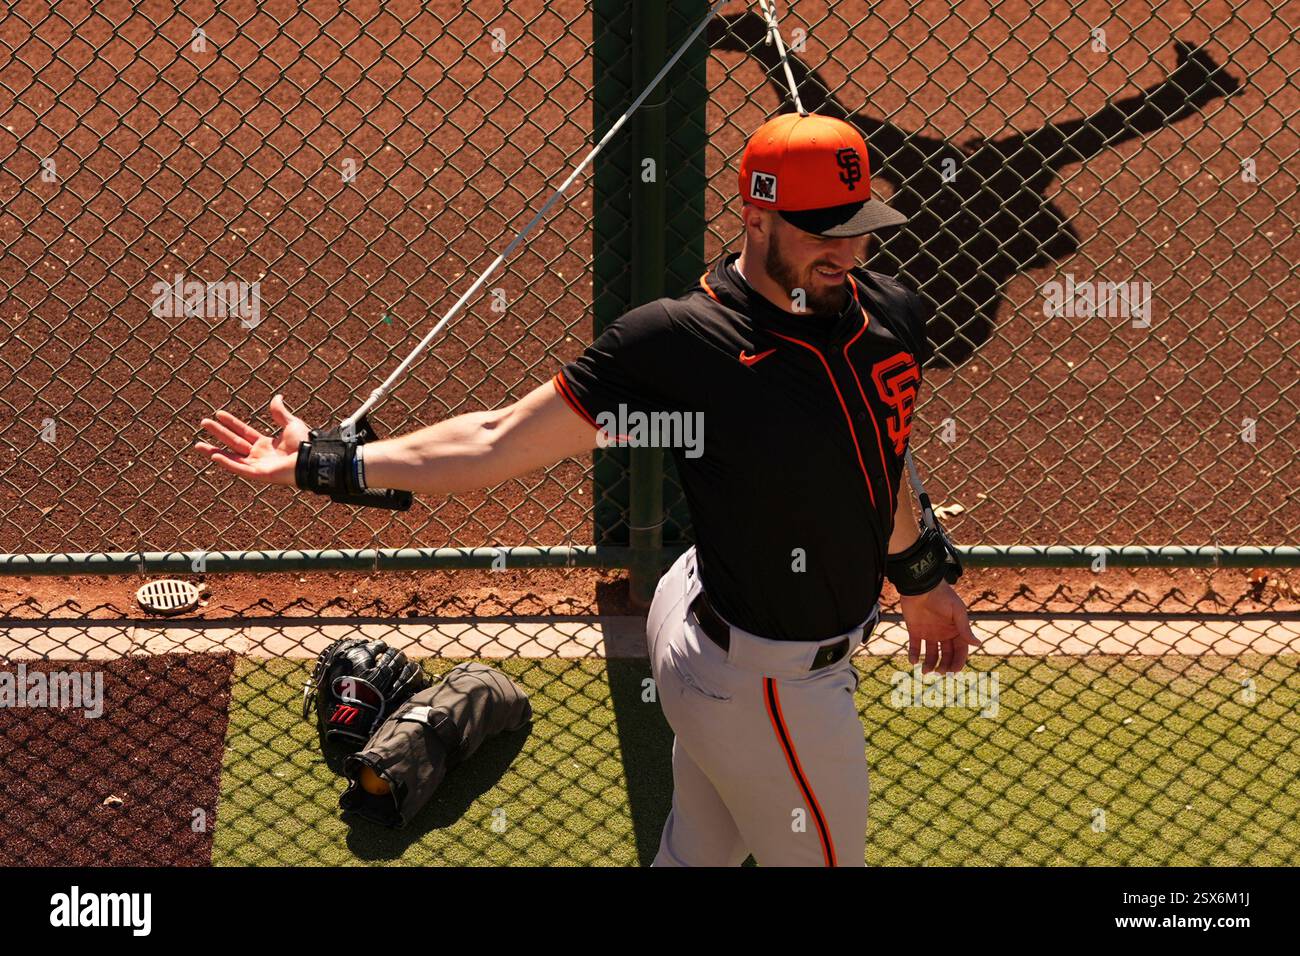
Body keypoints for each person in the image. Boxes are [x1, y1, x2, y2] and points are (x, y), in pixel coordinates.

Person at [195, 112, 980, 867]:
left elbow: (885, 456)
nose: (848, 250)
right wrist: (326, 462)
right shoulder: (681, 344)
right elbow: (497, 439)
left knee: (698, 852)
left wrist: (918, 575)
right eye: (822, 231)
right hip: (767, 684)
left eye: (859, 225)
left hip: (723, 643)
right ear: (756, 219)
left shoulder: (889, 315)